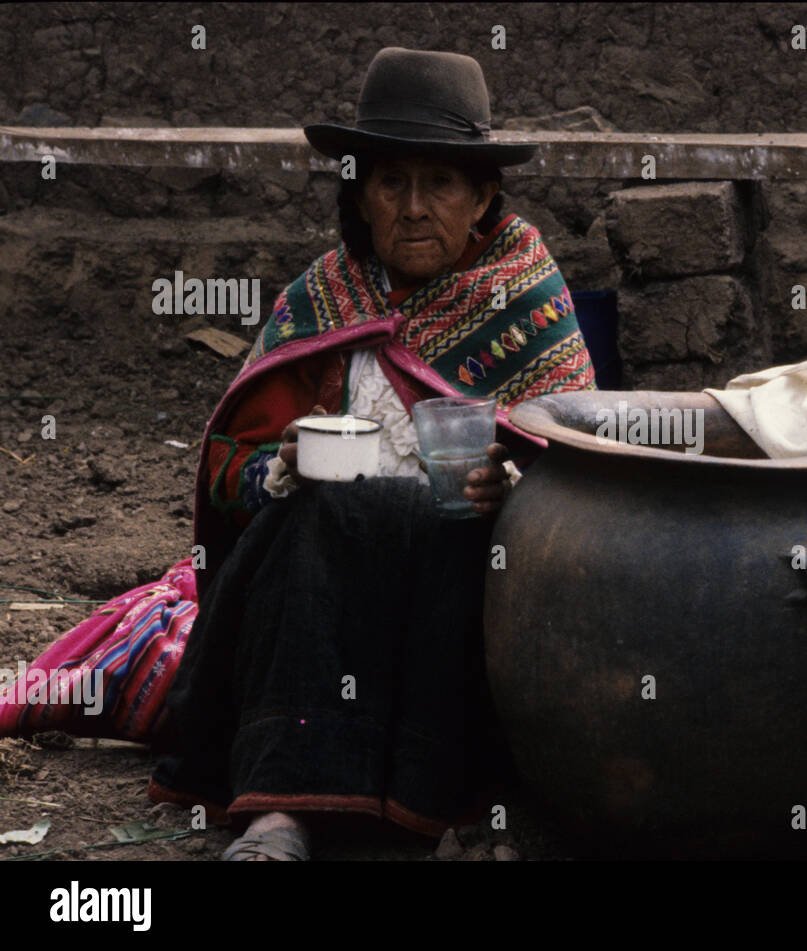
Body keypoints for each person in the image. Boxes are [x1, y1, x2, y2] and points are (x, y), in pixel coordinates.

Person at [143, 48, 597, 860]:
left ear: (484, 195)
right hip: (317, 592)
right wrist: (276, 467)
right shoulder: (320, 300)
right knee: (314, 511)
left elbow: (579, 468)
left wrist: (515, 487)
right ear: (360, 193)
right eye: (391, 183)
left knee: (462, 544)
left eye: (442, 184)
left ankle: (442, 803)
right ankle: (280, 811)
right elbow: (224, 468)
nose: (414, 209)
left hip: (456, 587)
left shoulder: (524, 296)